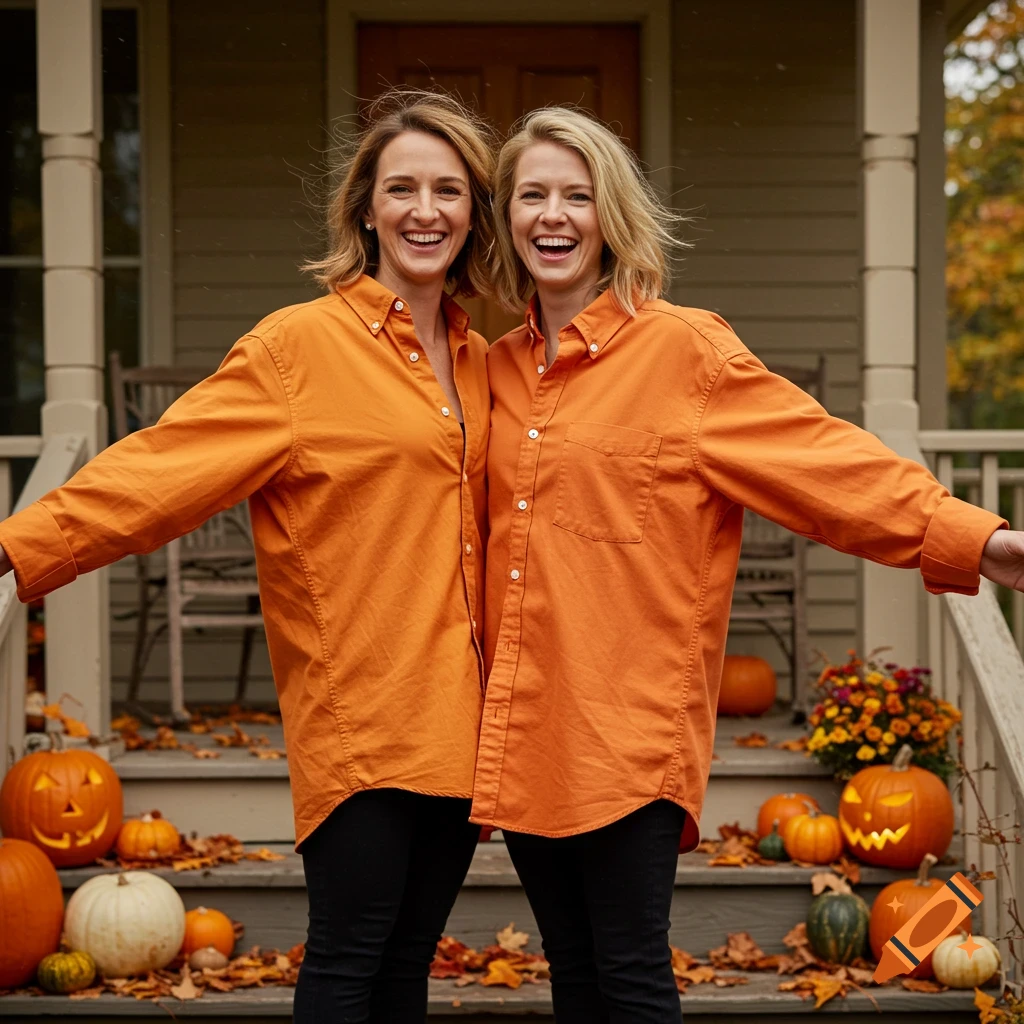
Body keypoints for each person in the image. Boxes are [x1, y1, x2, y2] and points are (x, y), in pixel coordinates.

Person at [475, 105, 1024, 1024]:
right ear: (507, 217)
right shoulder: (488, 368)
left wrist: (977, 538)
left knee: (630, 975)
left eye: (578, 195)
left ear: (611, 217)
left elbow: (823, 462)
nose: (553, 216)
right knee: (570, 973)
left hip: (628, 728)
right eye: (532, 195)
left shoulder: (685, 352)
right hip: (522, 726)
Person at [0, 89, 496, 1023]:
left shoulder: (482, 361)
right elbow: (158, 471)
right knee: (351, 962)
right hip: (362, 713)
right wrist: (13, 545)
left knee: (407, 968)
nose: (425, 209)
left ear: (474, 212)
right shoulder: (297, 351)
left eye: (449, 189)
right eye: (402, 188)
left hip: (464, 716)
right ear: (365, 207)